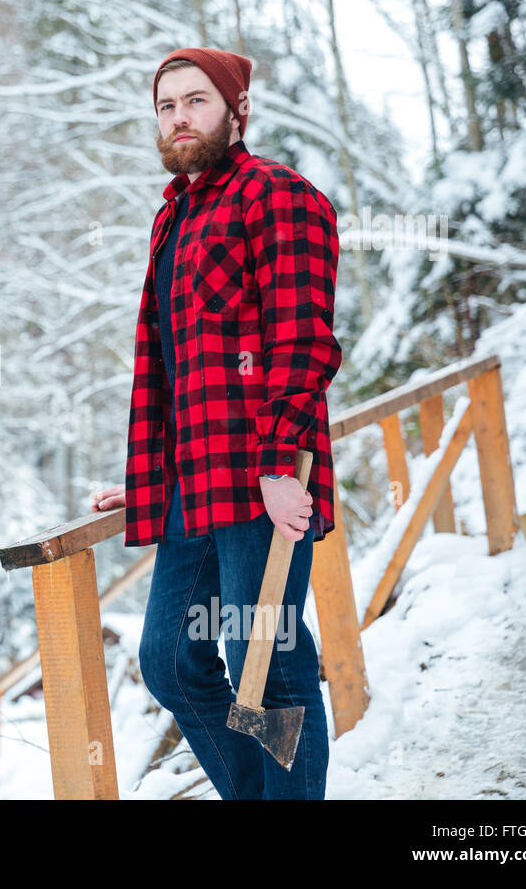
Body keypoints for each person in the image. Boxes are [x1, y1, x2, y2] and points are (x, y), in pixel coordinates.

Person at [89, 47, 343, 799]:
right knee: (170, 659)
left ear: (237, 111)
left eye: (196, 101)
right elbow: (173, 370)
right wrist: (147, 480)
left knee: (269, 660)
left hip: (263, 480)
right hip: (191, 490)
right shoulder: (174, 218)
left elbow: (303, 341)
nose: (178, 118)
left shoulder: (279, 196)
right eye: (166, 106)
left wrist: (274, 465)